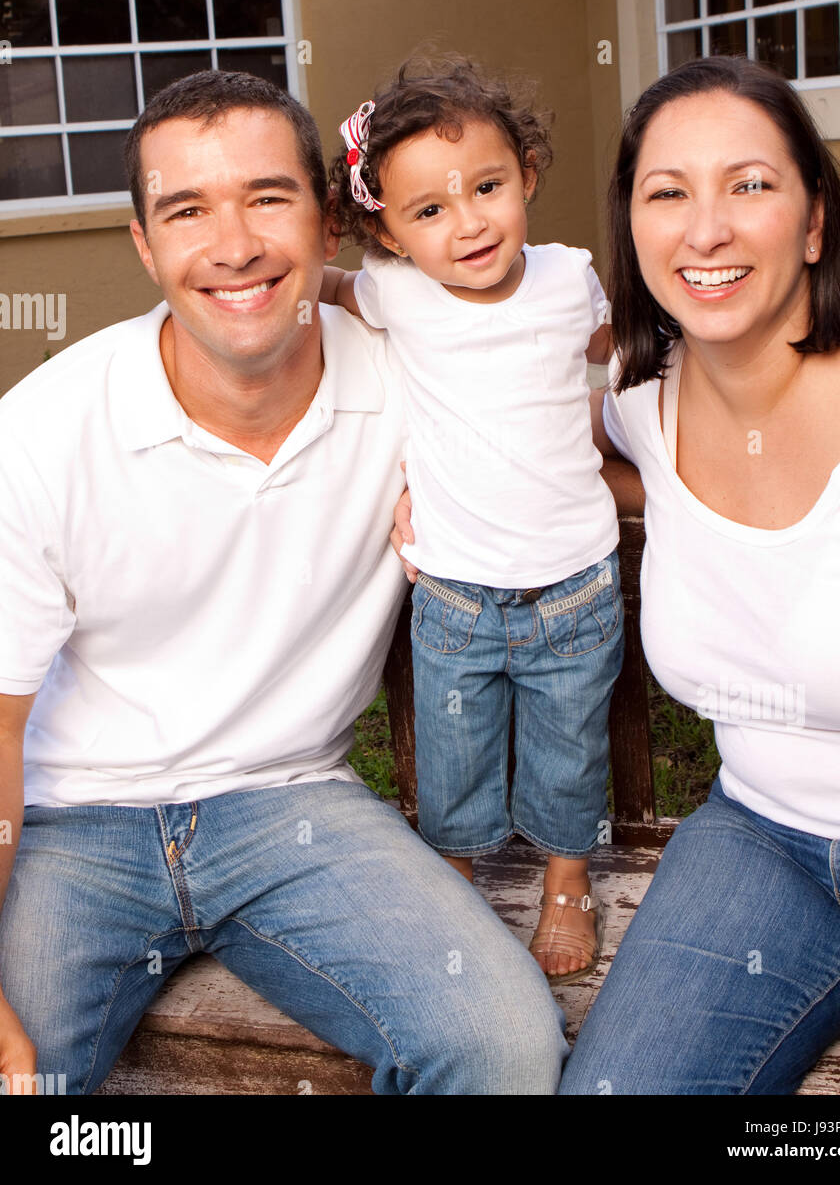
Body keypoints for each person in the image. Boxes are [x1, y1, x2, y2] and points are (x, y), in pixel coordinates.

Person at [0, 69, 566, 1097]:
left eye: (268, 197)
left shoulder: (413, 383)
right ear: (144, 244)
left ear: (332, 220)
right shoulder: (44, 432)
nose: (235, 246)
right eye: (187, 210)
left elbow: (597, 441)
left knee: (504, 1048)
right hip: (70, 826)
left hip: (292, 802)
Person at [553, 54, 840, 1093]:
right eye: (668, 193)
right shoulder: (642, 406)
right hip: (762, 838)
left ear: (812, 224)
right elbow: (525, 457)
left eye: (748, 184)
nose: (704, 229)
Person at [320, 55, 624, 984]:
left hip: (574, 582)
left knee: (570, 751)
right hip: (453, 591)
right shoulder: (394, 293)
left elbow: (616, 357)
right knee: (454, 756)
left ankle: (567, 880)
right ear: (392, 235)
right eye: (429, 211)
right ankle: (452, 870)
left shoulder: (571, 278)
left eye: (486, 187)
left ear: (526, 172)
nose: (469, 222)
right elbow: (321, 289)